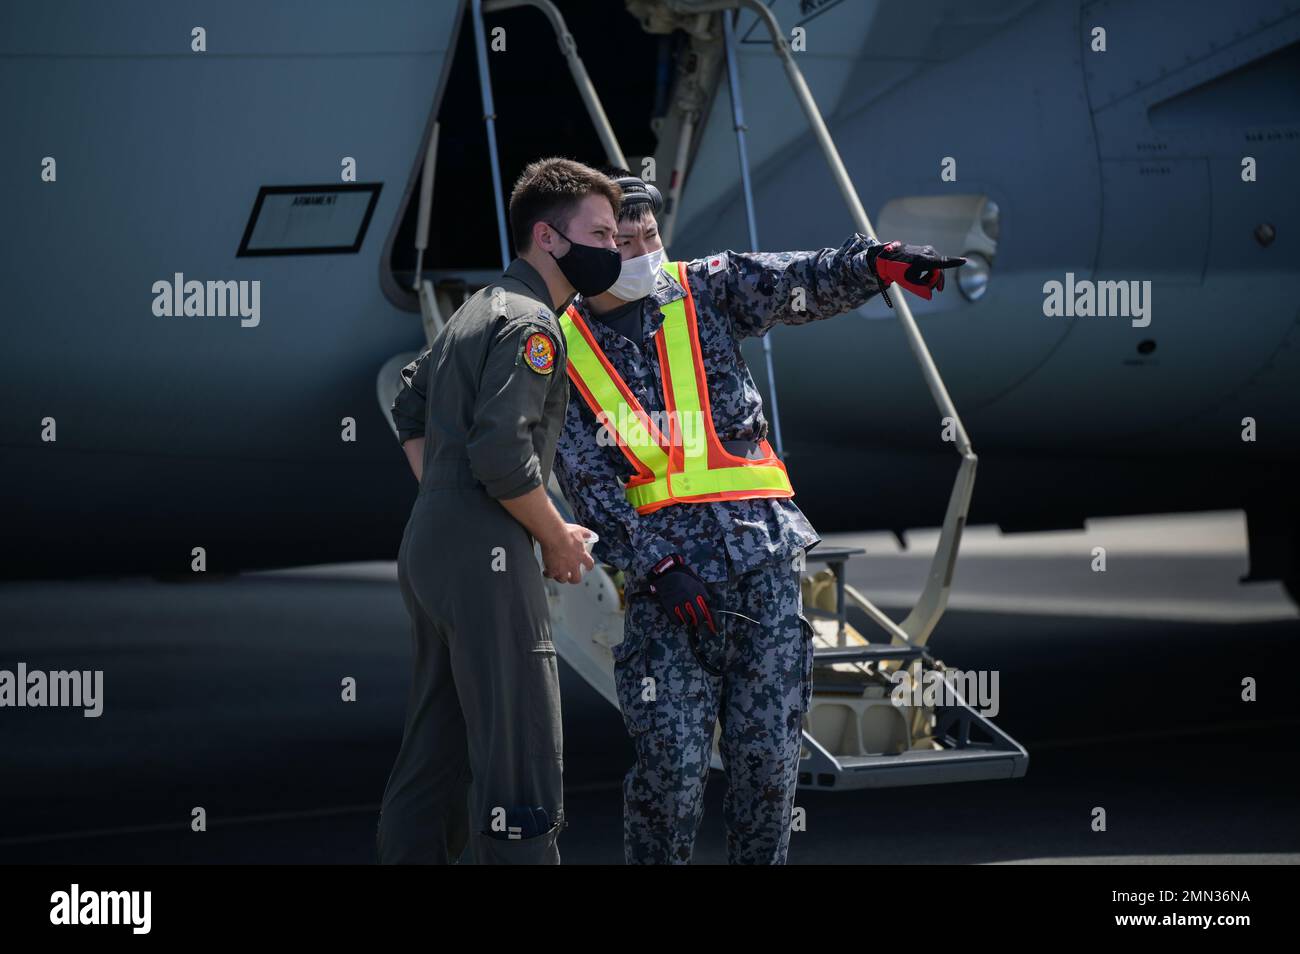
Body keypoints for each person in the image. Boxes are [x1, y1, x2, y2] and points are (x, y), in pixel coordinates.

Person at [551, 172, 965, 864]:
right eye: (625, 242)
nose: (645, 253)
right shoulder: (562, 348)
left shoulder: (705, 289)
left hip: (764, 564)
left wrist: (876, 264)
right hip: (670, 592)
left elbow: (796, 279)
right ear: (590, 247)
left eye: (651, 236)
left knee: (769, 770)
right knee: (672, 774)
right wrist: (655, 563)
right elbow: (586, 480)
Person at [376, 157, 623, 864]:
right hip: (485, 550)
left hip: (434, 541)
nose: (613, 248)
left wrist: (445, 493)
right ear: (548, 237)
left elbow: (409, 405)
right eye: (600, 234)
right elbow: (504, 458)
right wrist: (555, 537)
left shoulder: (478, 309)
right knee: (520, 750)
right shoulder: (533, 325)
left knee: (438, 748)